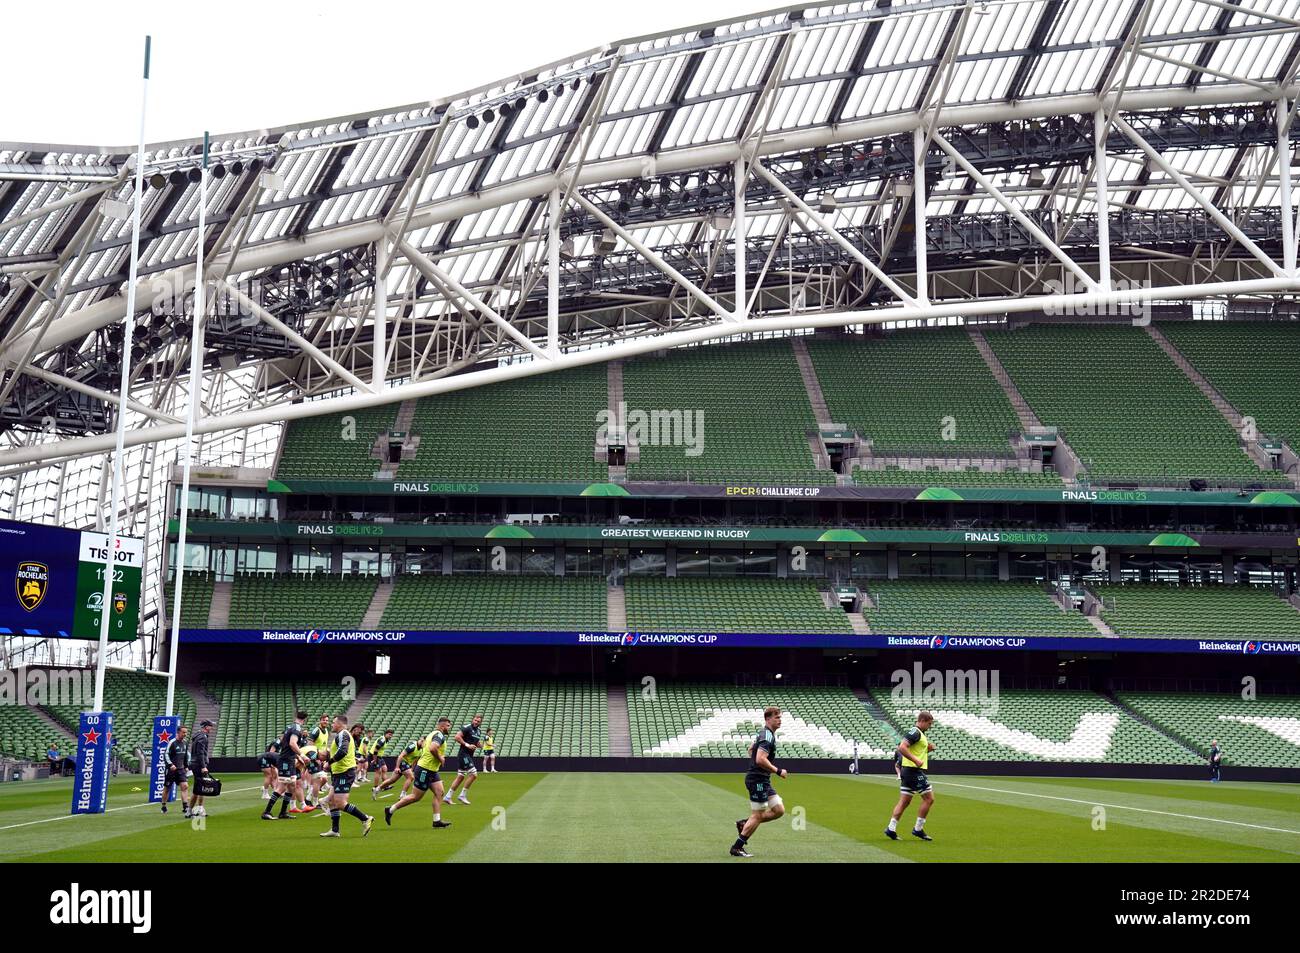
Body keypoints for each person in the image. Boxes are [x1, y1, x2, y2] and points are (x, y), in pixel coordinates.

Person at [730, 706, 788, 858]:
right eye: (777, 717)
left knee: (779, 810)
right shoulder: (767, 736)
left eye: (780, 717)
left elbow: (751, 750)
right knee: (758, 815)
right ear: (768, 719)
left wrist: (761, 767)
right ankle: (737, 847)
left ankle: (745, 823)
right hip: (758, 781)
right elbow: (760, 758)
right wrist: (777, 770)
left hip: (763, 780)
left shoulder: (764, 734)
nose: (779, 720)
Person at [385, 719, 452, 830]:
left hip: (432, 770)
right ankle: (390, 809)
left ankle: (437, 821)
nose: (449, 728)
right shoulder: (439, 735)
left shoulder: (432, 734)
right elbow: (432, 748)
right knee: (415, 797)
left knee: (439, 792)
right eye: (448, 725)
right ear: (442, 726)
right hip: (425, 770)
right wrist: (440, 758)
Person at [320, 714, 373, 838]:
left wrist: (330, 761)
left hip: (344, 772)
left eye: (333, 723)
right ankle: (335, 830)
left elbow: (343, 751)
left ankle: (365, 818)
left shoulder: (343, 734)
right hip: (339, 772)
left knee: (340, 803)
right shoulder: (342, 735)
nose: (331, 725)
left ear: (339, 723)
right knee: (332, 802)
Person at [886, 711, 936, 842]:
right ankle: (918, 829)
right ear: (923, 720)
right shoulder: (915, 732)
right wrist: (915, 760)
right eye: (929, 724)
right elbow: (902, 747)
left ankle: (891, 828)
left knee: (904, 801)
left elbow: (915, 750)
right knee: (929, 799)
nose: (929, 726)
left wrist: (927, 749)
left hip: (907, 771)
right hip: (913, 771)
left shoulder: (920, 734)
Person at [263, 710, 308, 820]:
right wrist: (302, 755)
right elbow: (292, 743)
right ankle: (266, 812)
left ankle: (283, 812)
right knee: (282, 787)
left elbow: (284, 741)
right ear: (305, 719)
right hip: (286, 761)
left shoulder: (290, 727)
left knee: (292, 785)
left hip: (289, 759)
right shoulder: (296, 729)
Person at [443, 714, 483, 806]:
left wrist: (482, 746)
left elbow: (476, 742)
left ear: (481, 722)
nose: (476, 722)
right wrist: (467, 745)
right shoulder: (467, 727)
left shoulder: (478, 731)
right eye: (475, 720)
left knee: (460, 776)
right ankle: (462, 795)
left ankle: (448, 797)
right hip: (463, 755)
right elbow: (457, 737)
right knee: (473, 774)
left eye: (478, 721)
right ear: (473, 720)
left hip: (469, 755)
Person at [162, 725, 191, 817]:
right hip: (171, 770)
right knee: (167, 788)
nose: (185, 734)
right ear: (178, 732)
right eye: (183, 732)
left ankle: (185, 806)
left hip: (181, 769)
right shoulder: (172, 742)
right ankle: (163, 805)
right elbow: (166, 754)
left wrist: (186, 766)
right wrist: (170, 765)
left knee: (185, 786)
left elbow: (185, 755)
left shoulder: (185, 743)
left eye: (186, 732)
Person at [188, 719, 214, 817]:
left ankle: (200, 809)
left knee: (201, 787)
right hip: (199, 765)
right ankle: (190, 810)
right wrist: (203, 766)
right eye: (210, 726)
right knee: (198, 788)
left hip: (196, 764)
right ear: (206, 727)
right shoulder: (203, 737)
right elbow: (200, 753)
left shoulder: (197, 735)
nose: (211, 728)